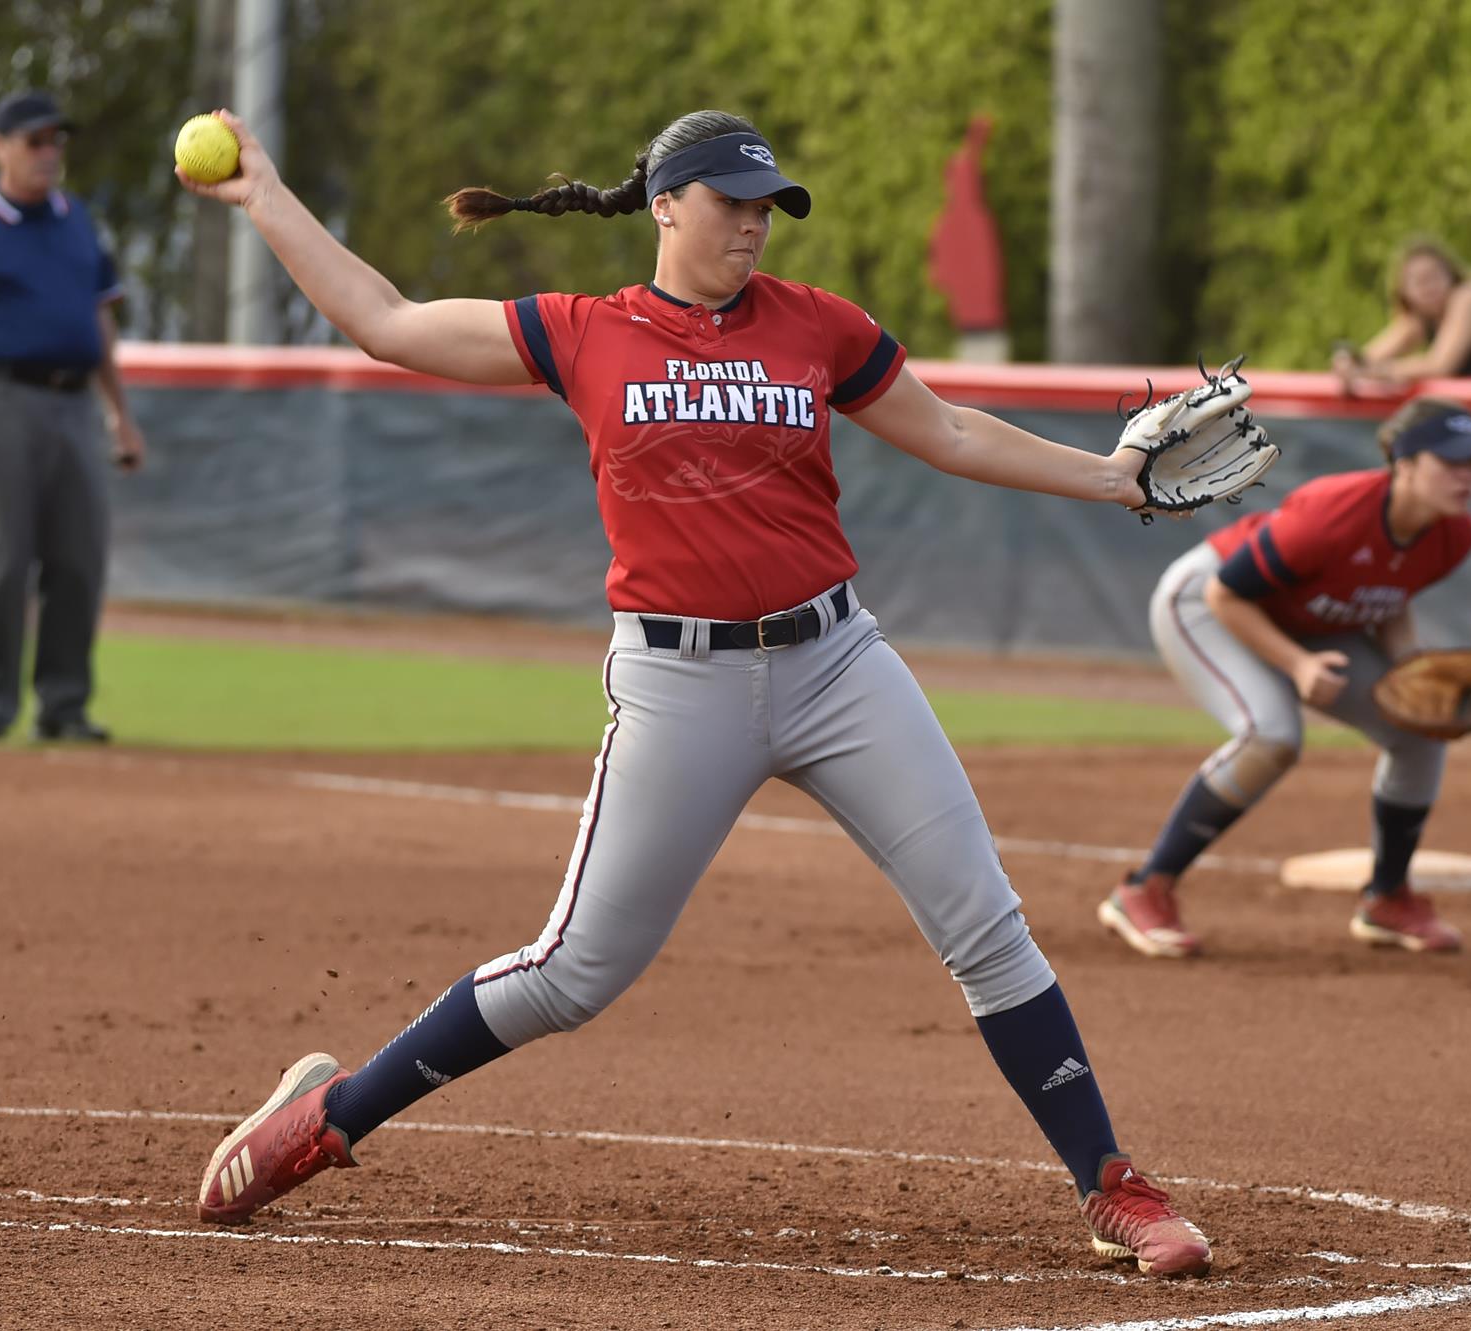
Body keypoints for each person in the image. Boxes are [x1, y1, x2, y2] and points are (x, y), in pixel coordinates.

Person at [178, 108, 1214, 1278]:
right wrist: (262, 188)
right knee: (573, 972)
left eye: (767, 204)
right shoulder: (582, 331)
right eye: (731, 201)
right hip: (680, 683)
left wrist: (1117, 479)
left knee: (985, 925)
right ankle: (327, 1115)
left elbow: (952, 433)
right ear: (664, 204)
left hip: (837, 665)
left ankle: (1113, 1186)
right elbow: (384, 323)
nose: (754, 223)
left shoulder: (818, 327)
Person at [1098, 397, 1471, 961]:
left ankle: (1387, 900)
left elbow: (1387, 597)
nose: (1467, 475)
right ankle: (1144, 888)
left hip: (1306, 619)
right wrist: (1298, 665)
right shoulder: (1335, 513)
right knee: (1273, 736)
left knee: (1417, 733)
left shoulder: (1452, 536)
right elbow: (1228, 594)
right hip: (1206, 603)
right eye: (1451, 461)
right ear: (1404, 465)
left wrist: (1408, 666)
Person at [0, 90, 146, 743]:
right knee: (7, 557)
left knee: (79, 560)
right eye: (34, 141)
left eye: (56, 141)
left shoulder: (78, 221)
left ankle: (64, 705)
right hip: (1, 400)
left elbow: (100, 322)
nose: (48, 153)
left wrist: (120, 416)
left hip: (76, 403)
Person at [1331, 238, 1471, 391]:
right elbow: (1369, 357)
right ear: (1404, 291)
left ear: (1451, 275)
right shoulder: (1418, 318)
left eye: (1433, 276)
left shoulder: (1469, 297)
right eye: (1417, 281)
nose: (1427, 288)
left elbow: (1439, 365)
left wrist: (1374, 371)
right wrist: (1347, 360)